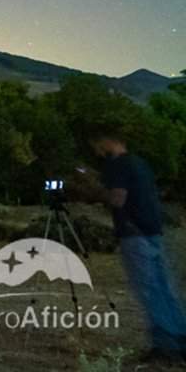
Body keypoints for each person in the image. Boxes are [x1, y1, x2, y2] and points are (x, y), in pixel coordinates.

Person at [87, 125, 186, 361]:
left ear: (107, 140)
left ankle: (166, 346)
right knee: (164, 288)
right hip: (153, 231)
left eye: (97, 144)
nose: (96, 149)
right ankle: (180, 338)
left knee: (149, 289)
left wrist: (91, 191)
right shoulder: (140, 163)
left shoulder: (117, 165)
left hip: (134, 235)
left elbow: (118, 199)